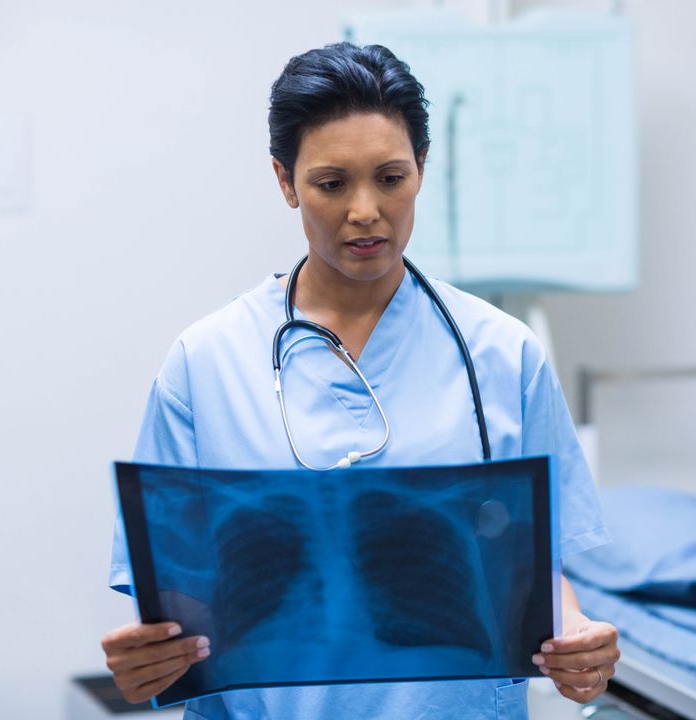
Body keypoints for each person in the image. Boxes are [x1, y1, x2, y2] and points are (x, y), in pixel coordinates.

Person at [100, 42, 619, 719]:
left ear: (422, 171)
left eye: (391, 177)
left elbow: (536, 567)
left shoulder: (504, 354)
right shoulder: (204, 364)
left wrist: (575, 638)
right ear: (286, 182)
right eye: (332, 182)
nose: (366, 210)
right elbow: (178, 600)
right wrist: (146, 660)